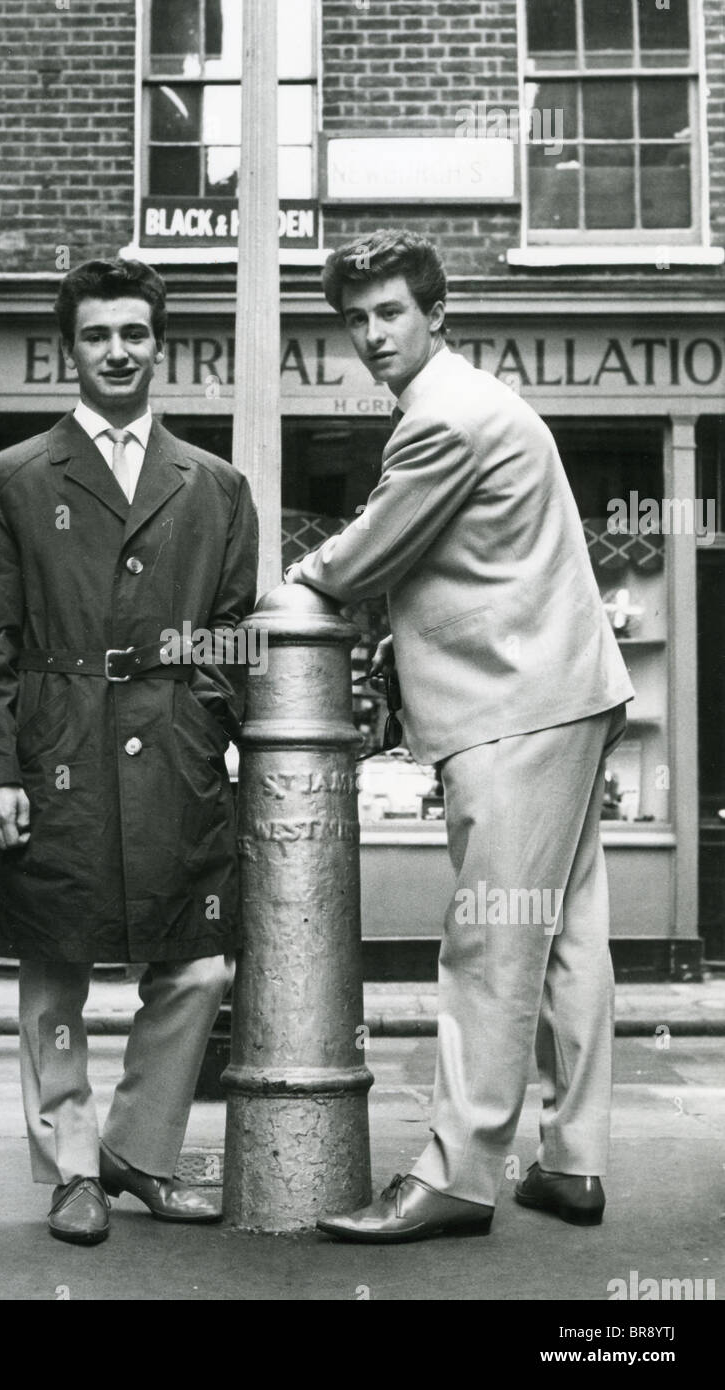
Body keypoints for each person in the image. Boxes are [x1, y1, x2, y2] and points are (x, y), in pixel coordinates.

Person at [285, 229, 634, 1244]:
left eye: (390, 312)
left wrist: (296, 581)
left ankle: (458, 1175)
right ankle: (571, 1164)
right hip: (559, 694)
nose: (371, 335)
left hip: (515, 707)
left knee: (489, 940)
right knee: (565, 936)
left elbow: (361, 558)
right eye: (355, 319)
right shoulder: (474, 402)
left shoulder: (441, 417)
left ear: (436, 314)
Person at [0, 257, 258, 1245]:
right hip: (57, 748)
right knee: (55, 967)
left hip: (175, 754)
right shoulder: (8, 481)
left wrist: (202, 722)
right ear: (68, 350)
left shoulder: (216, 486)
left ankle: (137, 1148)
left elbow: (231, 635)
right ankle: (72, 1168)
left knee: (199, 965)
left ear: (158, 346)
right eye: (97, 335)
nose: (117, 351)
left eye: (133, 333)